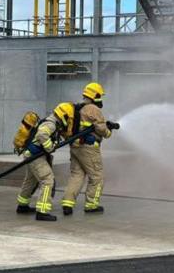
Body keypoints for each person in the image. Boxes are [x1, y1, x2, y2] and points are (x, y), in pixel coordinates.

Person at [62, 82, 119, 215]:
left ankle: (67, 204)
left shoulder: (80, 108)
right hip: (88, 149)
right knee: (97, 177)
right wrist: (108, 132)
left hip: (75, 147)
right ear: (96, 95)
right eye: (100, 96)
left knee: (77, 175)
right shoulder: (93, 109)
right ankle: (91, 205)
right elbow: (101, 128)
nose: (101, 99)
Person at [15, 103, 75, 222]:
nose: (68, 122)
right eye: (68, 119)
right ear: (63, 116)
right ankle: (42, 211)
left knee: (31, 180)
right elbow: (42, 134)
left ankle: (22, 206)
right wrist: (49, 147)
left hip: (31, 155)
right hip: (35, 156)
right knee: (47, 180)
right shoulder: (51, 124)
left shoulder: (52, 122)